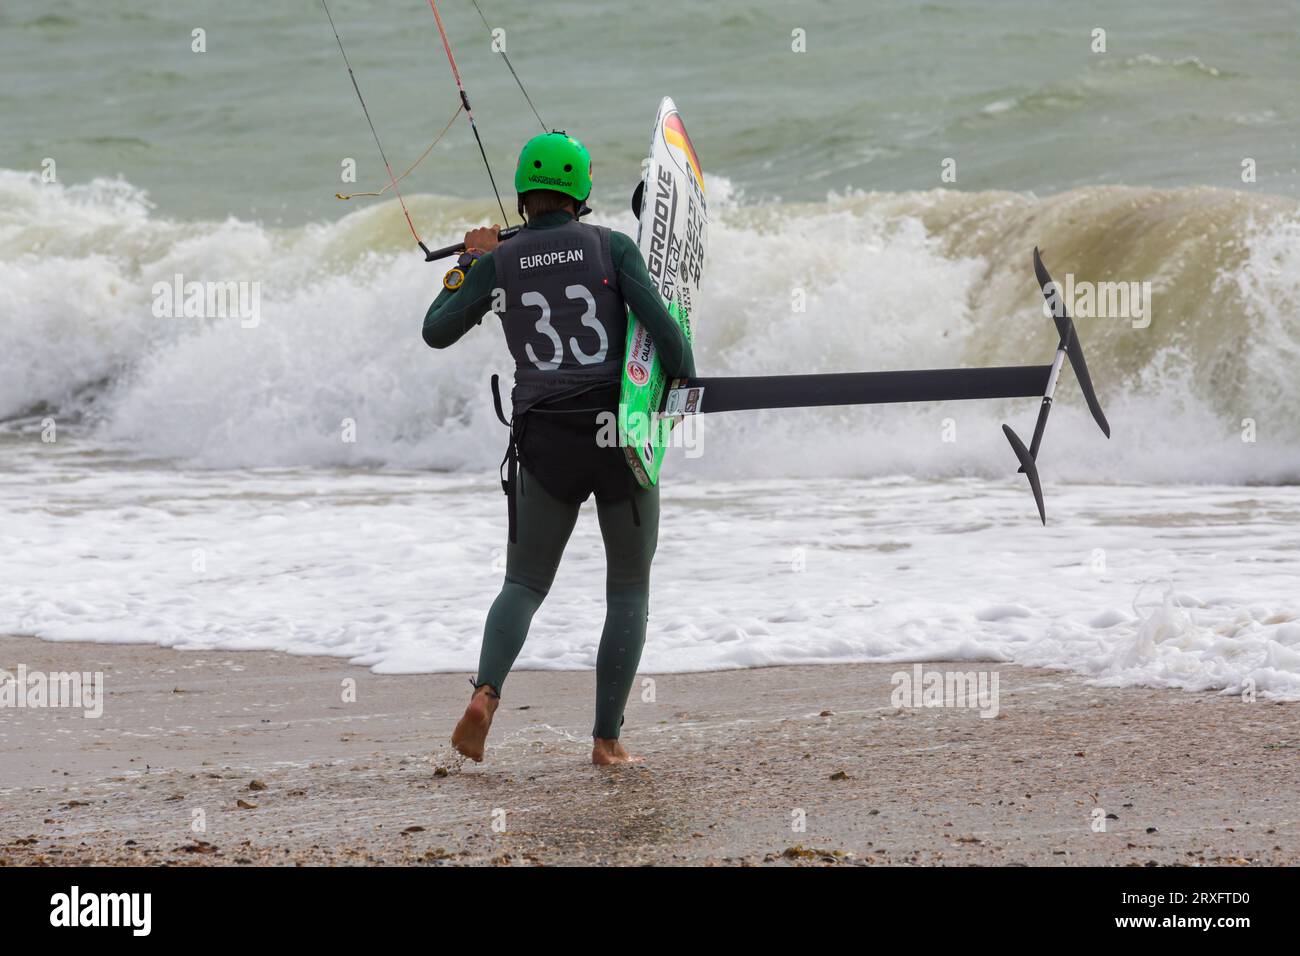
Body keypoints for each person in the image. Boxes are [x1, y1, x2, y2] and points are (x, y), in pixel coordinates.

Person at [422, 131, 695, 765]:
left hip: (544, 441)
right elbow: (674, 351)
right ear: (582, 194)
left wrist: (468, 259)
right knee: (627, 590)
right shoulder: (611, 247)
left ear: (522, 195)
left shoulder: (499, 262)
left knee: (522, 583)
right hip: (616, 433)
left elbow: (437, 330)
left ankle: (485, 695)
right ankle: (607, 740)